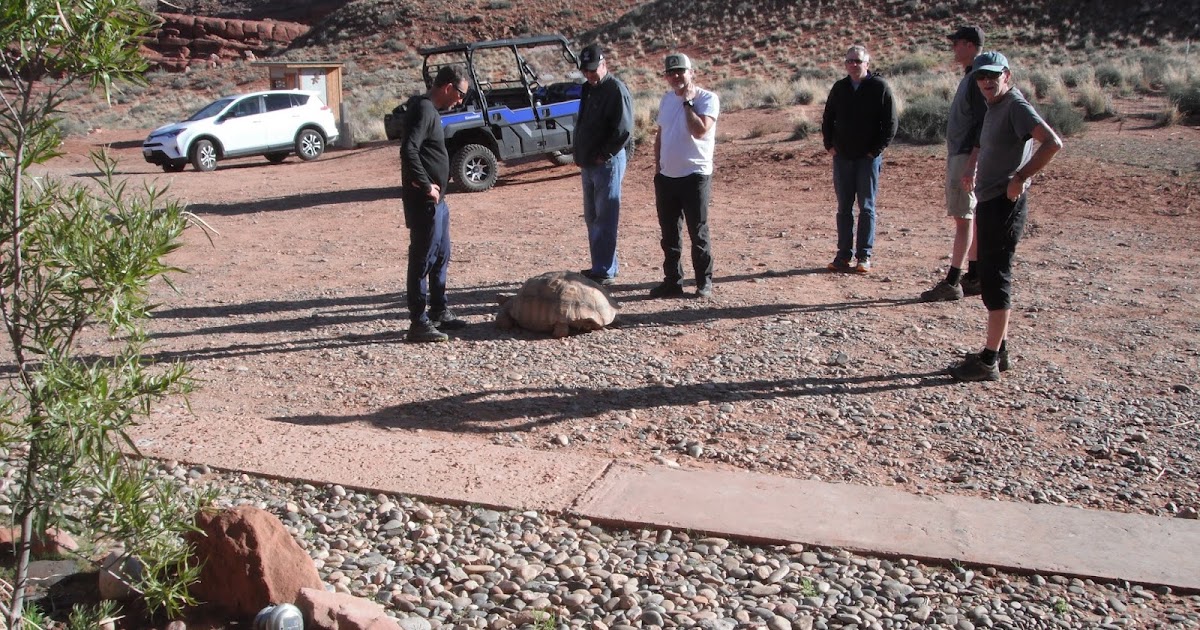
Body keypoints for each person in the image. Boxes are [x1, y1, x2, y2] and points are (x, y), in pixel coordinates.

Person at [949, 51, 1062, 381]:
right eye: (981, 76)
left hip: (1004, 203)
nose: (986, 81)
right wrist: (974, 169)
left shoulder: (1015, 105)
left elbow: (1052, 143)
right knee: (990, 275)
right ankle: (1000, 352)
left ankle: (988, 361)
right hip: (989, 200)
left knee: (996, 278)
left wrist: (1021, 177)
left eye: (993, 76)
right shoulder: (995, 106)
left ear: (1007, 76)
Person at [400, 65, 470, 343]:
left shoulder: (430, 110)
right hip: (425, 201)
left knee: (441, 255)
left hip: (438, 201)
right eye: (460, 94)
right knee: (423, 258)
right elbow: (408, 149)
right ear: (448, 87)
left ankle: (439, 310)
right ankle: (418, 322)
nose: (461, 101)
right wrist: (424, 183)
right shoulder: (424, 109)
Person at [921, 26, 987, 302]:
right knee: (970, 216)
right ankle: (974, 276)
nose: (953, 48)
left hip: (965, 156)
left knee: (964, 218)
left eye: (957, 43)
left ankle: (953, 281)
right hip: (966, 155)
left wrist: (972, 162)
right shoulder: (975, 76)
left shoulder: (977, 78)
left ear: (970, 45)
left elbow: (982, 124)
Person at [821, 44, 898, 274]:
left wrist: (876, 150)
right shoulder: (840, 87)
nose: (853, 65)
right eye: (849, 61)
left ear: (867, 64)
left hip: (868, 159)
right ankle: (843, 256)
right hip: (842, 157)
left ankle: (864, 256)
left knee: (866, 207)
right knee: (844, 207)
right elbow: (828, 118)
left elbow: (891, 123)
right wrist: (829, 145)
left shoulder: (879, 87)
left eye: (858, 61)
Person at [649, 52, 720, 299]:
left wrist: (688, 103)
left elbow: (699, 131)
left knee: (697, 231)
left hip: (695, 175)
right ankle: (673, 281)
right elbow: (661, 134)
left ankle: (704, 282)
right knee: (669, 234)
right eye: (670, 73)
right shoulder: (667, 100)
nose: (675, 76)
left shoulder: (707, 99)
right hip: (667, 177)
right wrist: (658, 167)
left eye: (680, 71)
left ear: (692, 73)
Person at [575, 43, 633, 285]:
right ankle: (602, 265)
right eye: (585, 70)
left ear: (603, 64)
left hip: (607, 162)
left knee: (605, 217)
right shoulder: (588, 89)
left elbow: (624, 130)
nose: (589, 74)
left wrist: (604, 154)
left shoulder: (615, 89)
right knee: (592, 216)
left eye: (593, 69)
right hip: (588, 162)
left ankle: (605, 269)